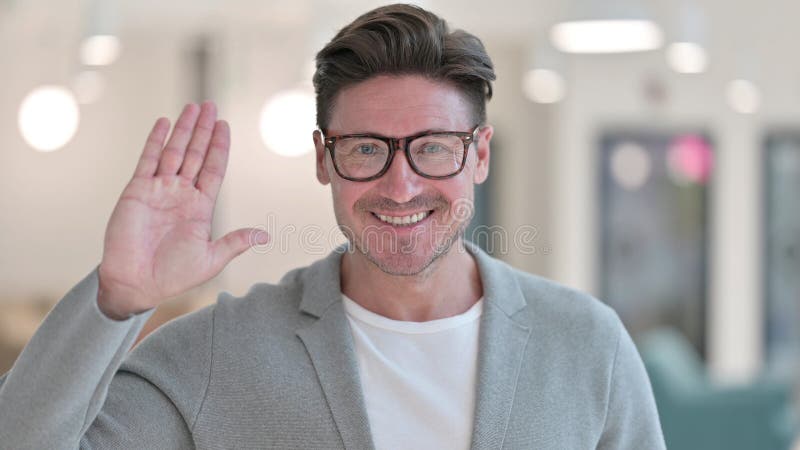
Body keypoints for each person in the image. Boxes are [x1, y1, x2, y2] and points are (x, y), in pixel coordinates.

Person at [0, 4, 665, 449]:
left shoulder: (585, 345)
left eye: (433, 145)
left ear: (480, 154)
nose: (400, 185)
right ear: (324, 159)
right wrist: (116, 300)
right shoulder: (217, 352)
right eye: (367, 147)